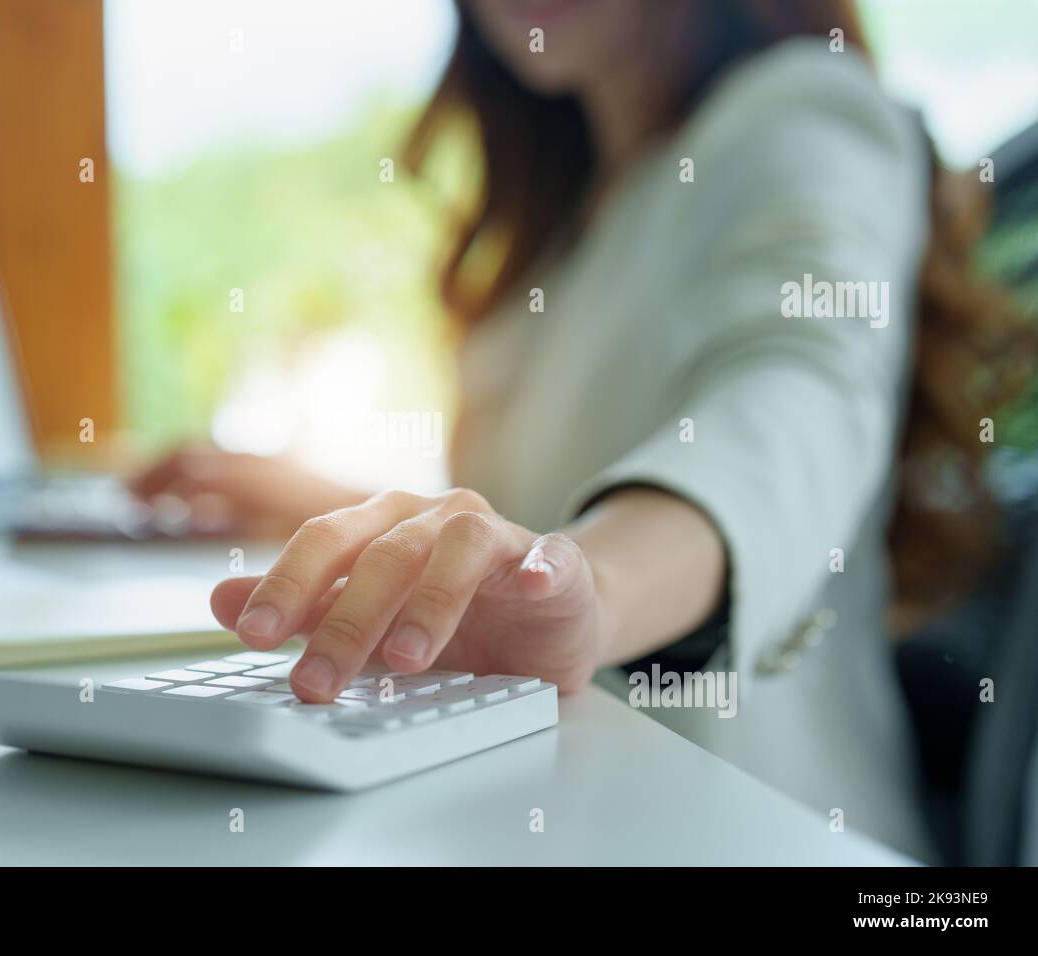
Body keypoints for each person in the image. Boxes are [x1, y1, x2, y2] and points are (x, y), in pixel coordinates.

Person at [131, 0, 1032, 860]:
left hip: (765, 830)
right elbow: (535, 523)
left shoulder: (800, 109)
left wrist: (590, 583)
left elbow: (797, 398)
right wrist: (333, 506)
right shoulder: (572, 213)